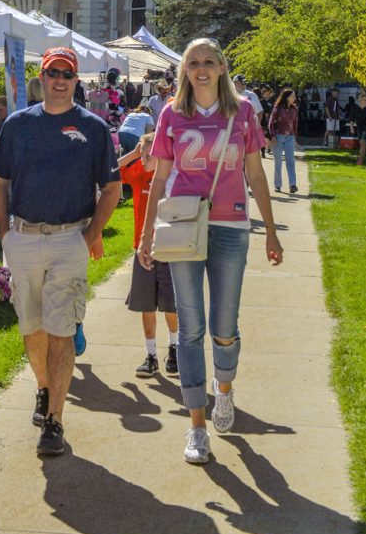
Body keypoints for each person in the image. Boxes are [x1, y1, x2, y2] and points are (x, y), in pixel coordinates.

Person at [138, 38, 283, 466]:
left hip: (231, 226)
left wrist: (271, 231)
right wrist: (146, 235)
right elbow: (159, 178)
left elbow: (255, 173)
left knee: (224, 325)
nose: (201, 69)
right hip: (184, 227)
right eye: (193, 62)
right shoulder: (171, 113)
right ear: (184, 70)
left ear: (221, 67)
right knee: (189, 328)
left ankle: (224, 388)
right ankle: (197, 426)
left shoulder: (243, 112)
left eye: (208, 62)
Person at [0, 46, 121, 458]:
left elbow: (112, 188)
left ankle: (55, 420)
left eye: (67, 74)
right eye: (53, 73)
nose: (60, 80)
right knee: (32, 328)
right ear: (42, 78)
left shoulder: (94, 128)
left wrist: (89, 235)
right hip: (24, 238)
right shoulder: (17, 125)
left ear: (76, 80)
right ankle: (44, 388)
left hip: (69, 240)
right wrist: (5, 236)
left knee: (62, 330)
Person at [119, 132, 178, 377]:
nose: (143, 160)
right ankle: (151, 355)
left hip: (167, 249)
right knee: (146, 304)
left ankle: (174, 348)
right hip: (142, 250)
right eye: (142, 155)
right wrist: (133, 154)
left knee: (171, 304)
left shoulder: (171, 179)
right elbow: (110, 172)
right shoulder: (138, 173)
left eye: (148, 156)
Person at [268, 88, 299, 193]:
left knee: (291, 161)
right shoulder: (278, 108)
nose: (294, 98)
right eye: (292, 96)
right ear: (286, 97)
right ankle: (278, 185)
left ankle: (292, 184)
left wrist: (295, 138)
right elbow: (271, 122)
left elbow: (295, 124)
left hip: (290, 137)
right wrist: (272, 136)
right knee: (278, 162)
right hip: (278, 136)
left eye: (294, 96)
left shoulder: (294, 109)